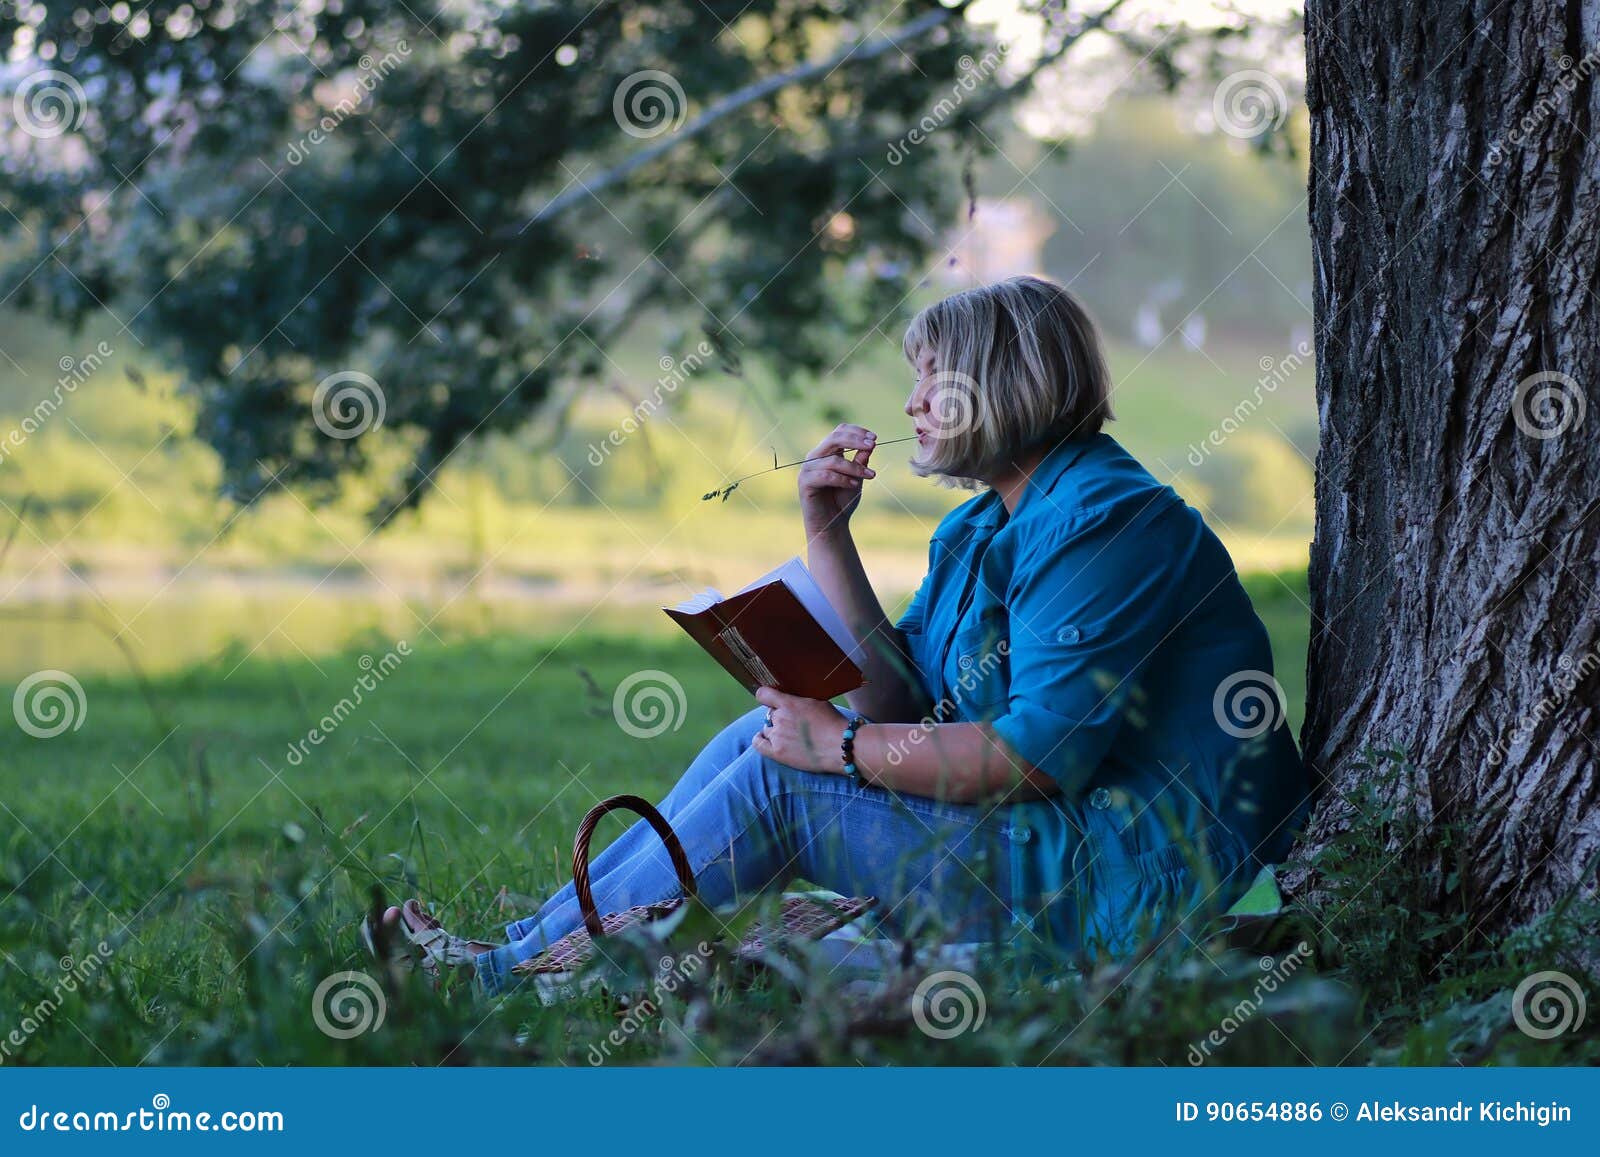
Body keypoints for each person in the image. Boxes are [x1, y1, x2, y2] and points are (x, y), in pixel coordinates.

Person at [376, 275, 1310, 994]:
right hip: (1035, 838)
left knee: (790, 778)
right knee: (762, 738)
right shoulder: (982, 525)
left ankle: (498, 978)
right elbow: (902, 700)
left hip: (1124, 873)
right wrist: (829, 534)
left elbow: (1037, 757)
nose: (909, 404)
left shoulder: (1110, 520)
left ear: (1006, 381)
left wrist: (843, 747)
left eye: (929, 377)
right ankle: (533, 947)